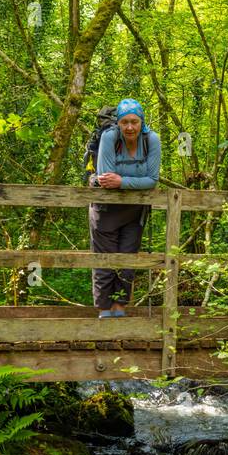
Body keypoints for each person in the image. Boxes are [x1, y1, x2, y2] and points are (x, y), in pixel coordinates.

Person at [88, 98, 161, 318]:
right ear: (118, 123)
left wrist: (121, 182)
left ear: (142, 122)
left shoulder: (152, 140)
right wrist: (132, 182)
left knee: (127, 261)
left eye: (134, 122)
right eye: (125, 122)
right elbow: (105, 179)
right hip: (105, 210)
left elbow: (153, 180)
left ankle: (119, 311)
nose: (130, 127)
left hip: (135, 211)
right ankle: (104, 312)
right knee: (105, 263)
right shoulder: (110, 138)